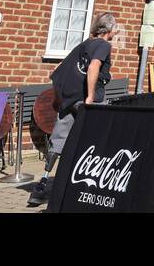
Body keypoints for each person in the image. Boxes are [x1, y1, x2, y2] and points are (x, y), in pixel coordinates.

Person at [28, 12, 117, 207]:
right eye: (114, 29)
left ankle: (41, 186)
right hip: (87, 100)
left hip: (69, 100)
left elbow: (58, 71)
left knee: (59, 142)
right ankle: (85, 188)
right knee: (96, 141)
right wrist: (90, 98)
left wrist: (62, 100)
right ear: (109, 30)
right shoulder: (103, 45)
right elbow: (94, 67)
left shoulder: (83, 44)